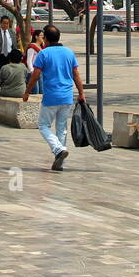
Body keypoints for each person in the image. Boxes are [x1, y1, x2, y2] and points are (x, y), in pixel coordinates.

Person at [21, 24, 86, 172]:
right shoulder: (69, 53)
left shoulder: (44, 54)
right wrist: (81, 94)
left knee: (44, 126)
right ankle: (60, 161)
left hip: (51, 96)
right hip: (67, 96)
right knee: (61, 128)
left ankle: (58, 149)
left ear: (47, 40)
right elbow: (76, 75)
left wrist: (27, 92)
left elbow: (35, 76)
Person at [24, 29, 45, 96]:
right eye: (41, 35)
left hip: (40, 71)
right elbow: (29, 60)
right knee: (35, 91)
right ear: (36, 37)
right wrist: (31, 71)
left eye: (43, 36)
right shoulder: (32, 47)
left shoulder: (41, 47)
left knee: (41, 91)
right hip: (33, 72)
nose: (43, 37)